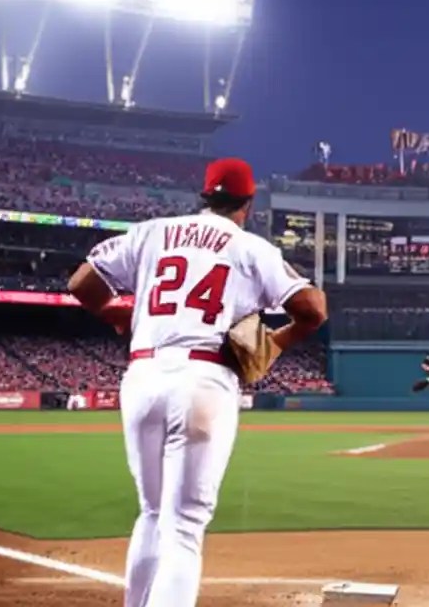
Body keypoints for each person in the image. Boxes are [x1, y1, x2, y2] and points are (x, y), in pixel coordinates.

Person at [67, 157, 327, 607]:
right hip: (205, 378)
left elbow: (82, 282)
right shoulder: (249, 247)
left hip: (143, 375)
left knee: (151, 514)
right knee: (184, 526)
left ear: (205, 195)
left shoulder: (153, 232)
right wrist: (275, 344)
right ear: (249, 203)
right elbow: (313, 309)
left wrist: (116, 313)